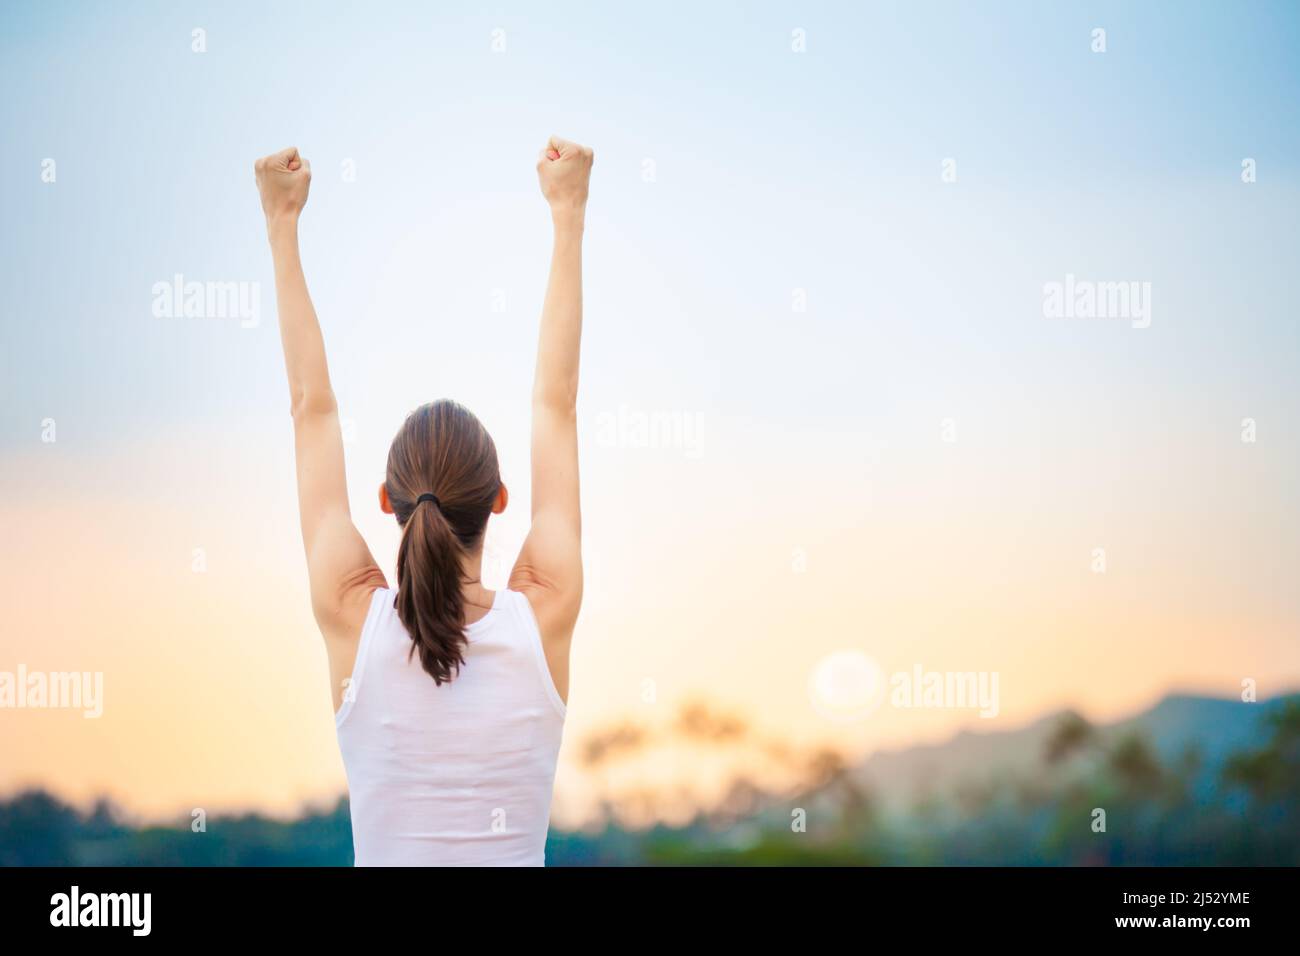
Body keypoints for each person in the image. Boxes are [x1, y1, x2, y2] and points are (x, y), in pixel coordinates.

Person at [252, 136, 593, 865]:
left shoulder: (352, 616)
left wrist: (282, 224)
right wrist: (568, 212)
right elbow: (555, 407)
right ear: (499, 500)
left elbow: (312, 408)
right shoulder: (546, 611)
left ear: (387, 500)